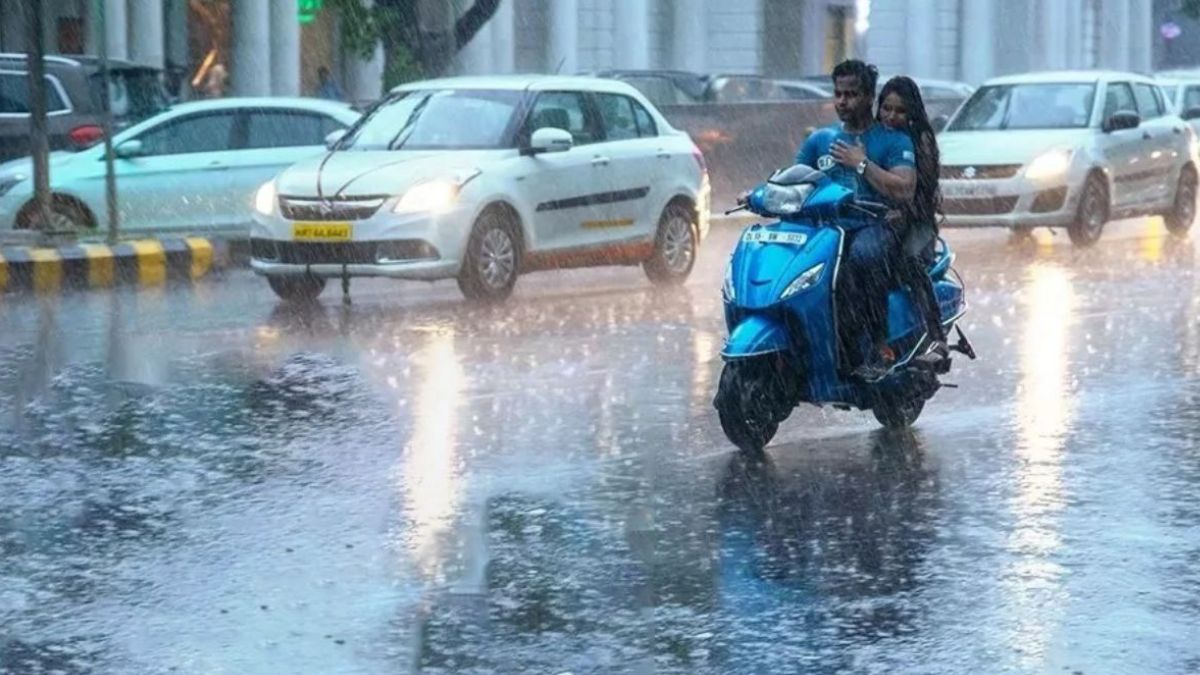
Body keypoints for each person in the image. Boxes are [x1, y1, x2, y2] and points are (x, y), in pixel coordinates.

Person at [796, 60, 917, 380]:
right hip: (828, 229)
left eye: (851, 94)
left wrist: (861, 164)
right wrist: (754, 193)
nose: (842, 101)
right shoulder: (820, 140)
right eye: (837, 93)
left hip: (875, 227)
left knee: (859, 259)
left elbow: (904, 188)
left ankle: (878, 347)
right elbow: (793, 178)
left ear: (868, 97)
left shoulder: (892, 140)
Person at [875, 76, 948, 354]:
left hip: (917, 223)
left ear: (912, 112)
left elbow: (924, 192)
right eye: (886, 109)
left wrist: (903, 212)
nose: (892, 116)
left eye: (900, 111)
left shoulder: (921, 140)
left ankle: (935, 334)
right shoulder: (872, 136)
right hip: (876, 220)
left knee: (909, 263)